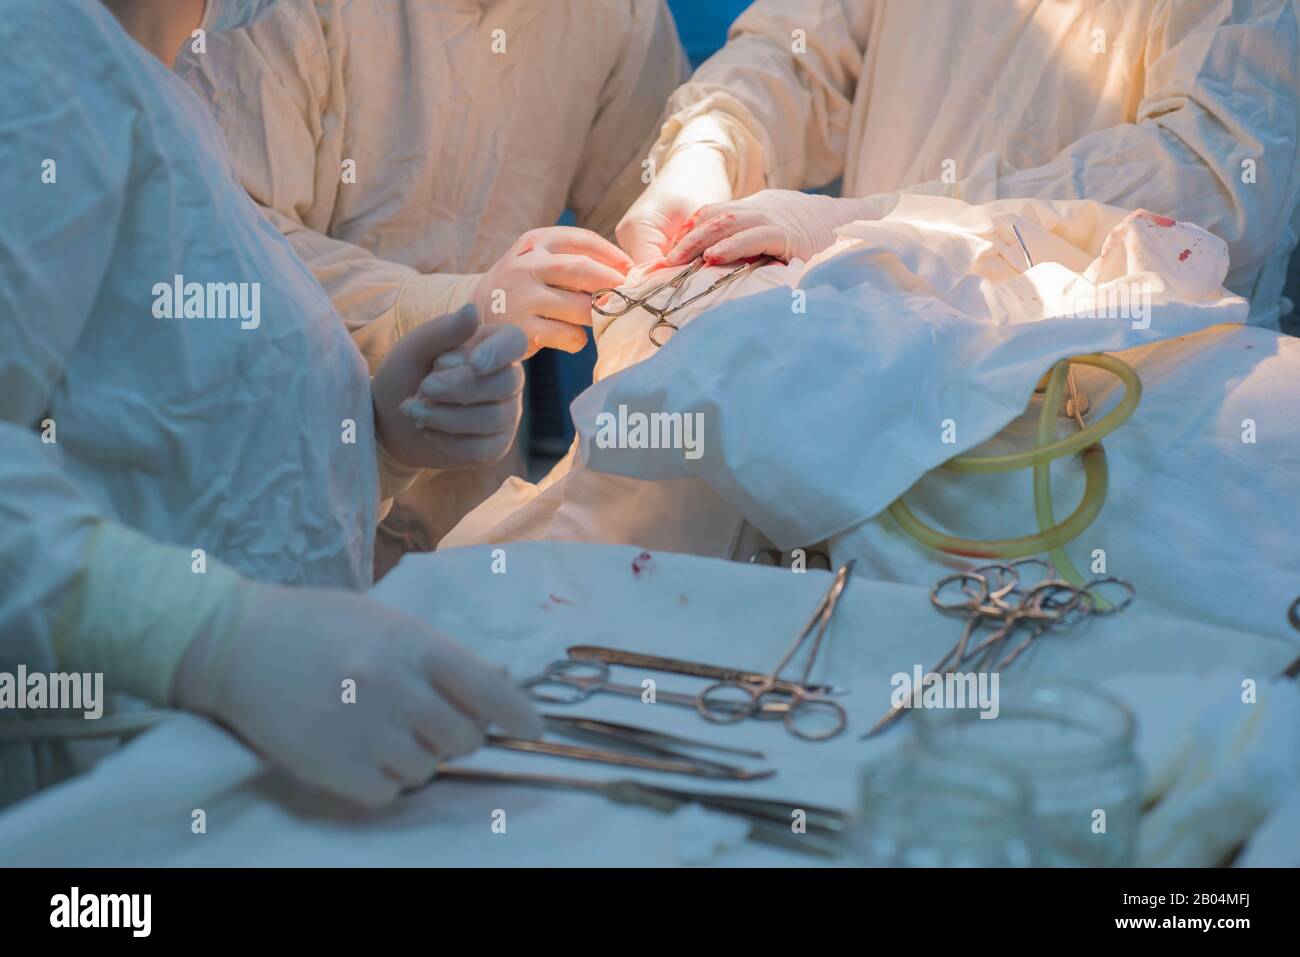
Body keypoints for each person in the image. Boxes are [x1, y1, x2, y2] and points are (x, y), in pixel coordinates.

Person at [0, 0, 540, 810]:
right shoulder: (37, 56)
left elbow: (156, 443)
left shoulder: (168, 94)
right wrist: (219, 639)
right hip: (92, 810)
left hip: (222, 784)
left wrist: (380, 441)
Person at [178, 0, 691, 571]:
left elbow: (648, 230)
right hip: (272, 478)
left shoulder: (617, 16)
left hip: (477, 510)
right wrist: (461, 307)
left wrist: (689, 255)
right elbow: (220, 250)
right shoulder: (278, 13)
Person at [618, 0, 1300, 329]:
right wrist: (711, 145)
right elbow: (803, 44)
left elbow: (1213, 178)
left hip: (1119, 402)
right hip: (885, 354)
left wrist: (882, 222)